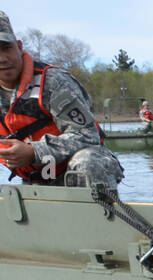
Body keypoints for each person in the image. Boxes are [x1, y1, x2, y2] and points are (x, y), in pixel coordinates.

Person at [0, 12, 124, 192]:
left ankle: (103, 216)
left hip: (82, 171)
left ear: (19, 47)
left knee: (86, 161)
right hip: (37, 181)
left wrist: (33, 152)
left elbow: (88, 135)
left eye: (6, 48)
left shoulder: (54, 82)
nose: (2, 58)